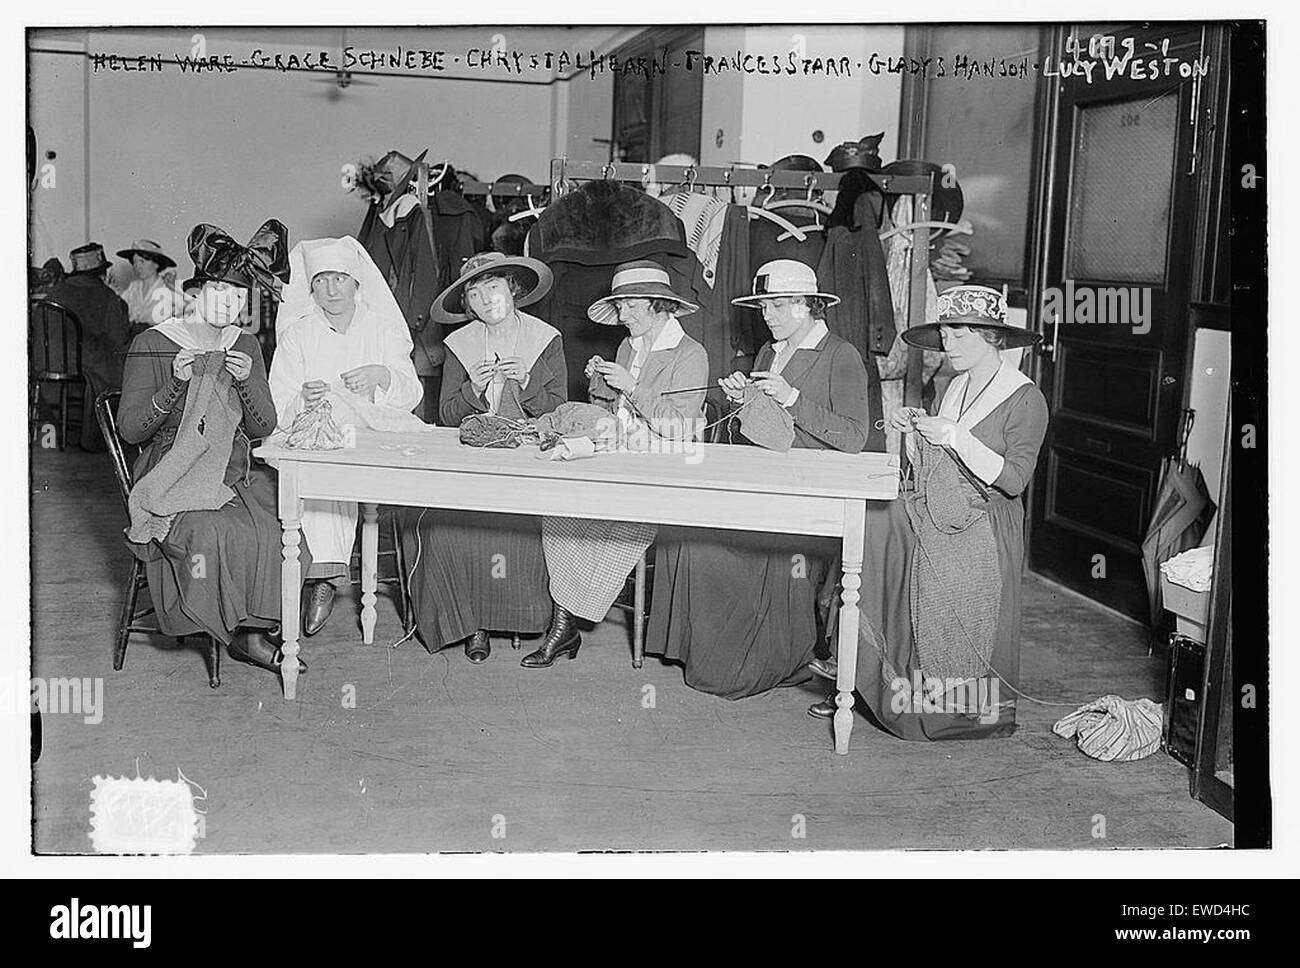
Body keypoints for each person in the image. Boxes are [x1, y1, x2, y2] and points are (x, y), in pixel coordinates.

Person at [807, 285, 1049, 738]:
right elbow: (935, 469)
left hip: (985, 521)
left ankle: (946, 702)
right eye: (944, 335)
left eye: (958, 336)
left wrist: (954, 435)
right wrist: (914, 433)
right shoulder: (955, 386)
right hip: (942, 506)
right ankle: (860, 675)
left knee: (883, 537)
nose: (947, 346)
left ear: (990, 336)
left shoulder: (1025, 398)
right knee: (870, 522)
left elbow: (1014, 480)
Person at [645, 259, 870, 699]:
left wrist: (793, 399)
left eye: (780, 305)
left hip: (811, 492)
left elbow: (854, 437)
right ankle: (704, 651)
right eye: (765, 305)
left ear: (809, 306)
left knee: (725, 549)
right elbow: (764, 426)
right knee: (688, 530)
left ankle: (753, 661)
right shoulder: (770, 351)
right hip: (770, 481)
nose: (768, 315)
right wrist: (743, 396)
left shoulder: (841, 355)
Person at [117, 219, 301, 676]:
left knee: (282, 524)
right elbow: (131, 431)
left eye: (240, 296)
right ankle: (230, 626)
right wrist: (174, 385)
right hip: (171, 468)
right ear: (195, 292)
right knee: (213, 532)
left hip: (232, 467)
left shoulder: (245, 345)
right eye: (220, 292)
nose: (231, 304)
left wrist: (245, 382)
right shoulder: (155, 342)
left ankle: (253, 630)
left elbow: (264, 427)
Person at [531, 261, 708, 669]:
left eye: (629, 306)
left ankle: (565, 623)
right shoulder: (629, 346)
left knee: (622, 522)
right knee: (558, 506)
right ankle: (566, 623)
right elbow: (610, 414)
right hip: (617, 456)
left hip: (662, 467)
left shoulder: (690, 354)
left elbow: (679, 428)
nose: (622, 316)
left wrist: (631, 385)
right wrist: (601, 383)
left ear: (659, 305)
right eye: (620, 307)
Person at [401, 252, 565, 662]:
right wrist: (473, 392)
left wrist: (527, 384)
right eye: (474, 294)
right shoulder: (460, 344)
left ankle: (514, 617)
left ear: (513, 288)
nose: (485, 299)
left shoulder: (546, 337)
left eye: (493, 287)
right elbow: (447, 416)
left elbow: (559, 409)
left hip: (529, 455)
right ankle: (472, 625)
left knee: (519, 527)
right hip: (475, 454)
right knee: (443, 526)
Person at [269, 236, 424, 637]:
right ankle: (323, 573)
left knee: (343, 461)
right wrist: (304, 398)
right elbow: (278, 400)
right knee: (322, 469)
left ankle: (321, 575)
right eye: (321, 280)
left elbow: (411, 392)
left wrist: (382, 376)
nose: (331, 290)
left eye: (340, 279)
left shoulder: (381, 329)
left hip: (376, 438)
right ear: (311, 288)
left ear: (357, 283)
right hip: (323, 441)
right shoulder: (298, 335)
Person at [42, 243, 131, 451]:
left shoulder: (55, 293)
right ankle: (116, 434)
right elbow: (118, 337)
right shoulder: (106, 296)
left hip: (49, 365)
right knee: (121, 360)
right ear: (101, 271)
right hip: (82, 367)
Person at [115, 239, 184, 337]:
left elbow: (187, 312)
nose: (138, 266)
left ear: (156, 264)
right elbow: (118, 312)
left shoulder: (168, 287)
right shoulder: (133, 288)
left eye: (142, 261)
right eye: (134, 262)